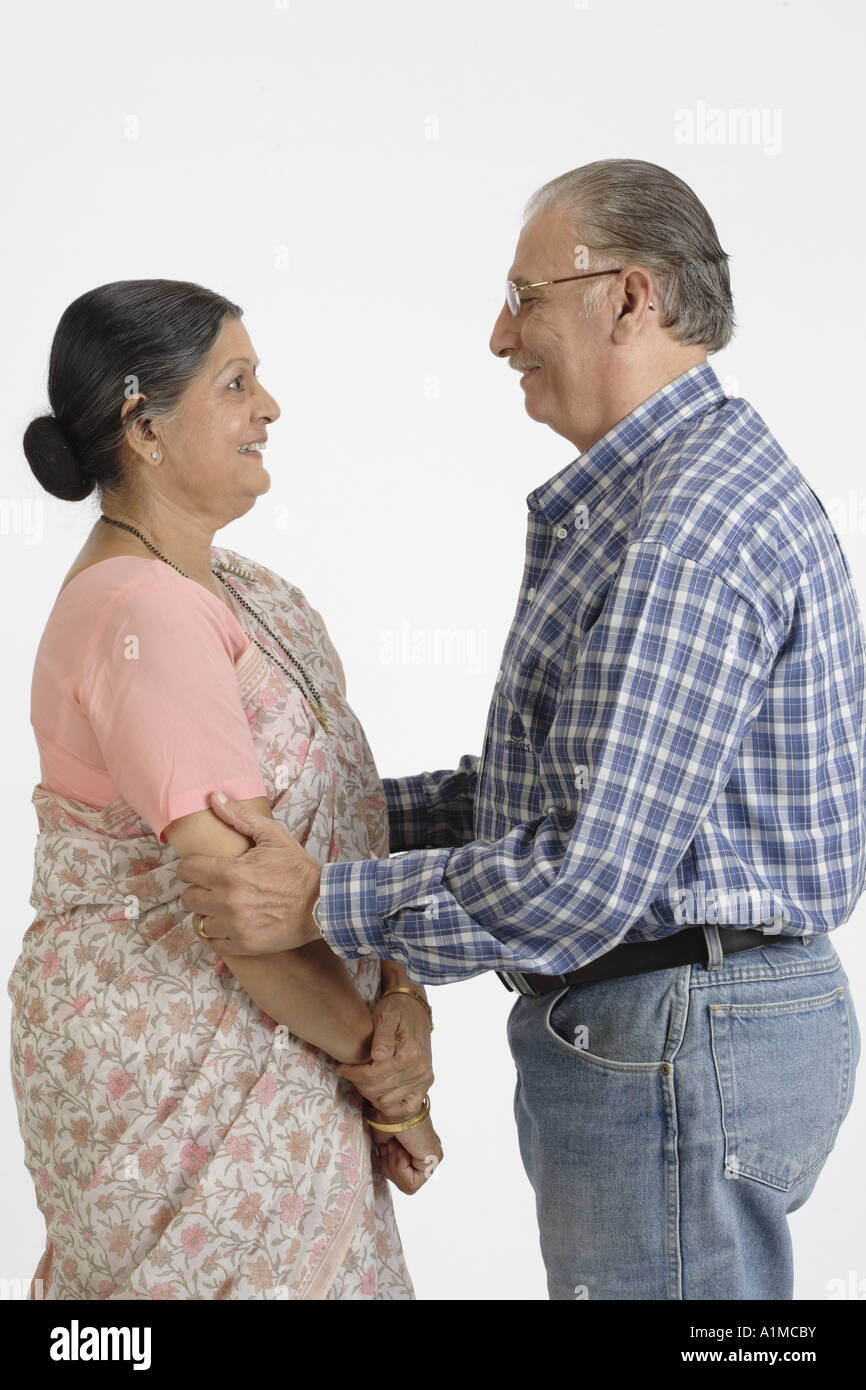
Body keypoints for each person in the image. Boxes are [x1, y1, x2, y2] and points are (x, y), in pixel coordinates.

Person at [179, 160, 864, 1300]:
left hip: (676, 1033)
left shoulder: (686, 528)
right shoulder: (661, 494)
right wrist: (329, 813)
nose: (499, 336)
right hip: (683, 1022)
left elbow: (585, 873)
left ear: (632, 298)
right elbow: (545, 795)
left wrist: (317, 898)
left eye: (525, 296)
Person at [9, 279, 441, 1302]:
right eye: (236, 382)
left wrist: (404, 993)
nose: (270, 407)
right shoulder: (142, 612)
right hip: (178, 1066)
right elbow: (242, 908)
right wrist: (387, 1078)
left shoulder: (245, 590)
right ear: (143, 427)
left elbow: (338, 832)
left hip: (288, 1037)